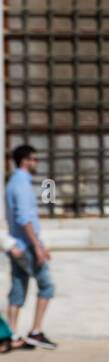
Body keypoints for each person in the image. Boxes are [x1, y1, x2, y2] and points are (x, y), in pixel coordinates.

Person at [5, 145, 57, 349]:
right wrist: (38, 247)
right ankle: (36, 331)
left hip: (17, 244)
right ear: (25, 160)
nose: (37, 163)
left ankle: (10, 334)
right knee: (47, 286)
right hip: (26, 246)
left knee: (18, 288)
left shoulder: (13, 183)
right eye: (35, 159)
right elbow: (25, 219)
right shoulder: (21, 184)